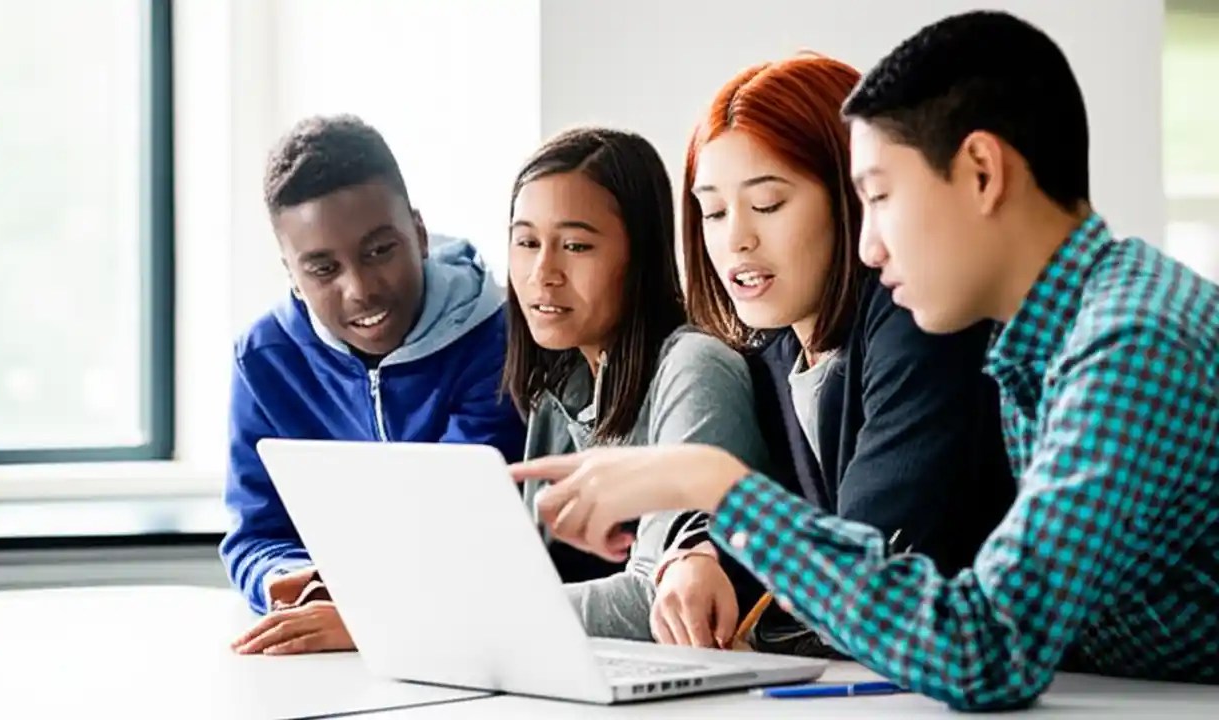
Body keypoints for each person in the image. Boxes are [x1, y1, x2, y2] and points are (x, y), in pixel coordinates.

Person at [508, 10, 1219, 711]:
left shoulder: (1128, 343)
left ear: (980, 172)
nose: (869, 246)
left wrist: (717, 481)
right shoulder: (1034, 339)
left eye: (878, 197)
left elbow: (986, 648)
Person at [648, 54, 1015, 654]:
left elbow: (863, 560)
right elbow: (771, 516)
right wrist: (699, 553)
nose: (736, 238)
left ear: (854, 197)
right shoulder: (776, 347)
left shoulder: (922, 317)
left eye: (766, 204)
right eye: (712, 211)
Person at [224, 115, 525, 655]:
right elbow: (255, 533)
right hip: (330, 654)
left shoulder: (498, 339)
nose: (360, 288)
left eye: (379, 251)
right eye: (322, 269)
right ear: (291, 273)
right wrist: (285, 579)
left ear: (419, 232)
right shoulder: (263, 359)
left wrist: (363, 609)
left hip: (465, 644)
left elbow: (464, 525)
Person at [505, 126, 769, 643]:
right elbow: (530, 578)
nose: (543, 272)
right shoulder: (559, 387)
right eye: (527, 242)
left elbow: (661, 601)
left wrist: (436, 621)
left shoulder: (695, 366)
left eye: (576, 245)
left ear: (640, 255)